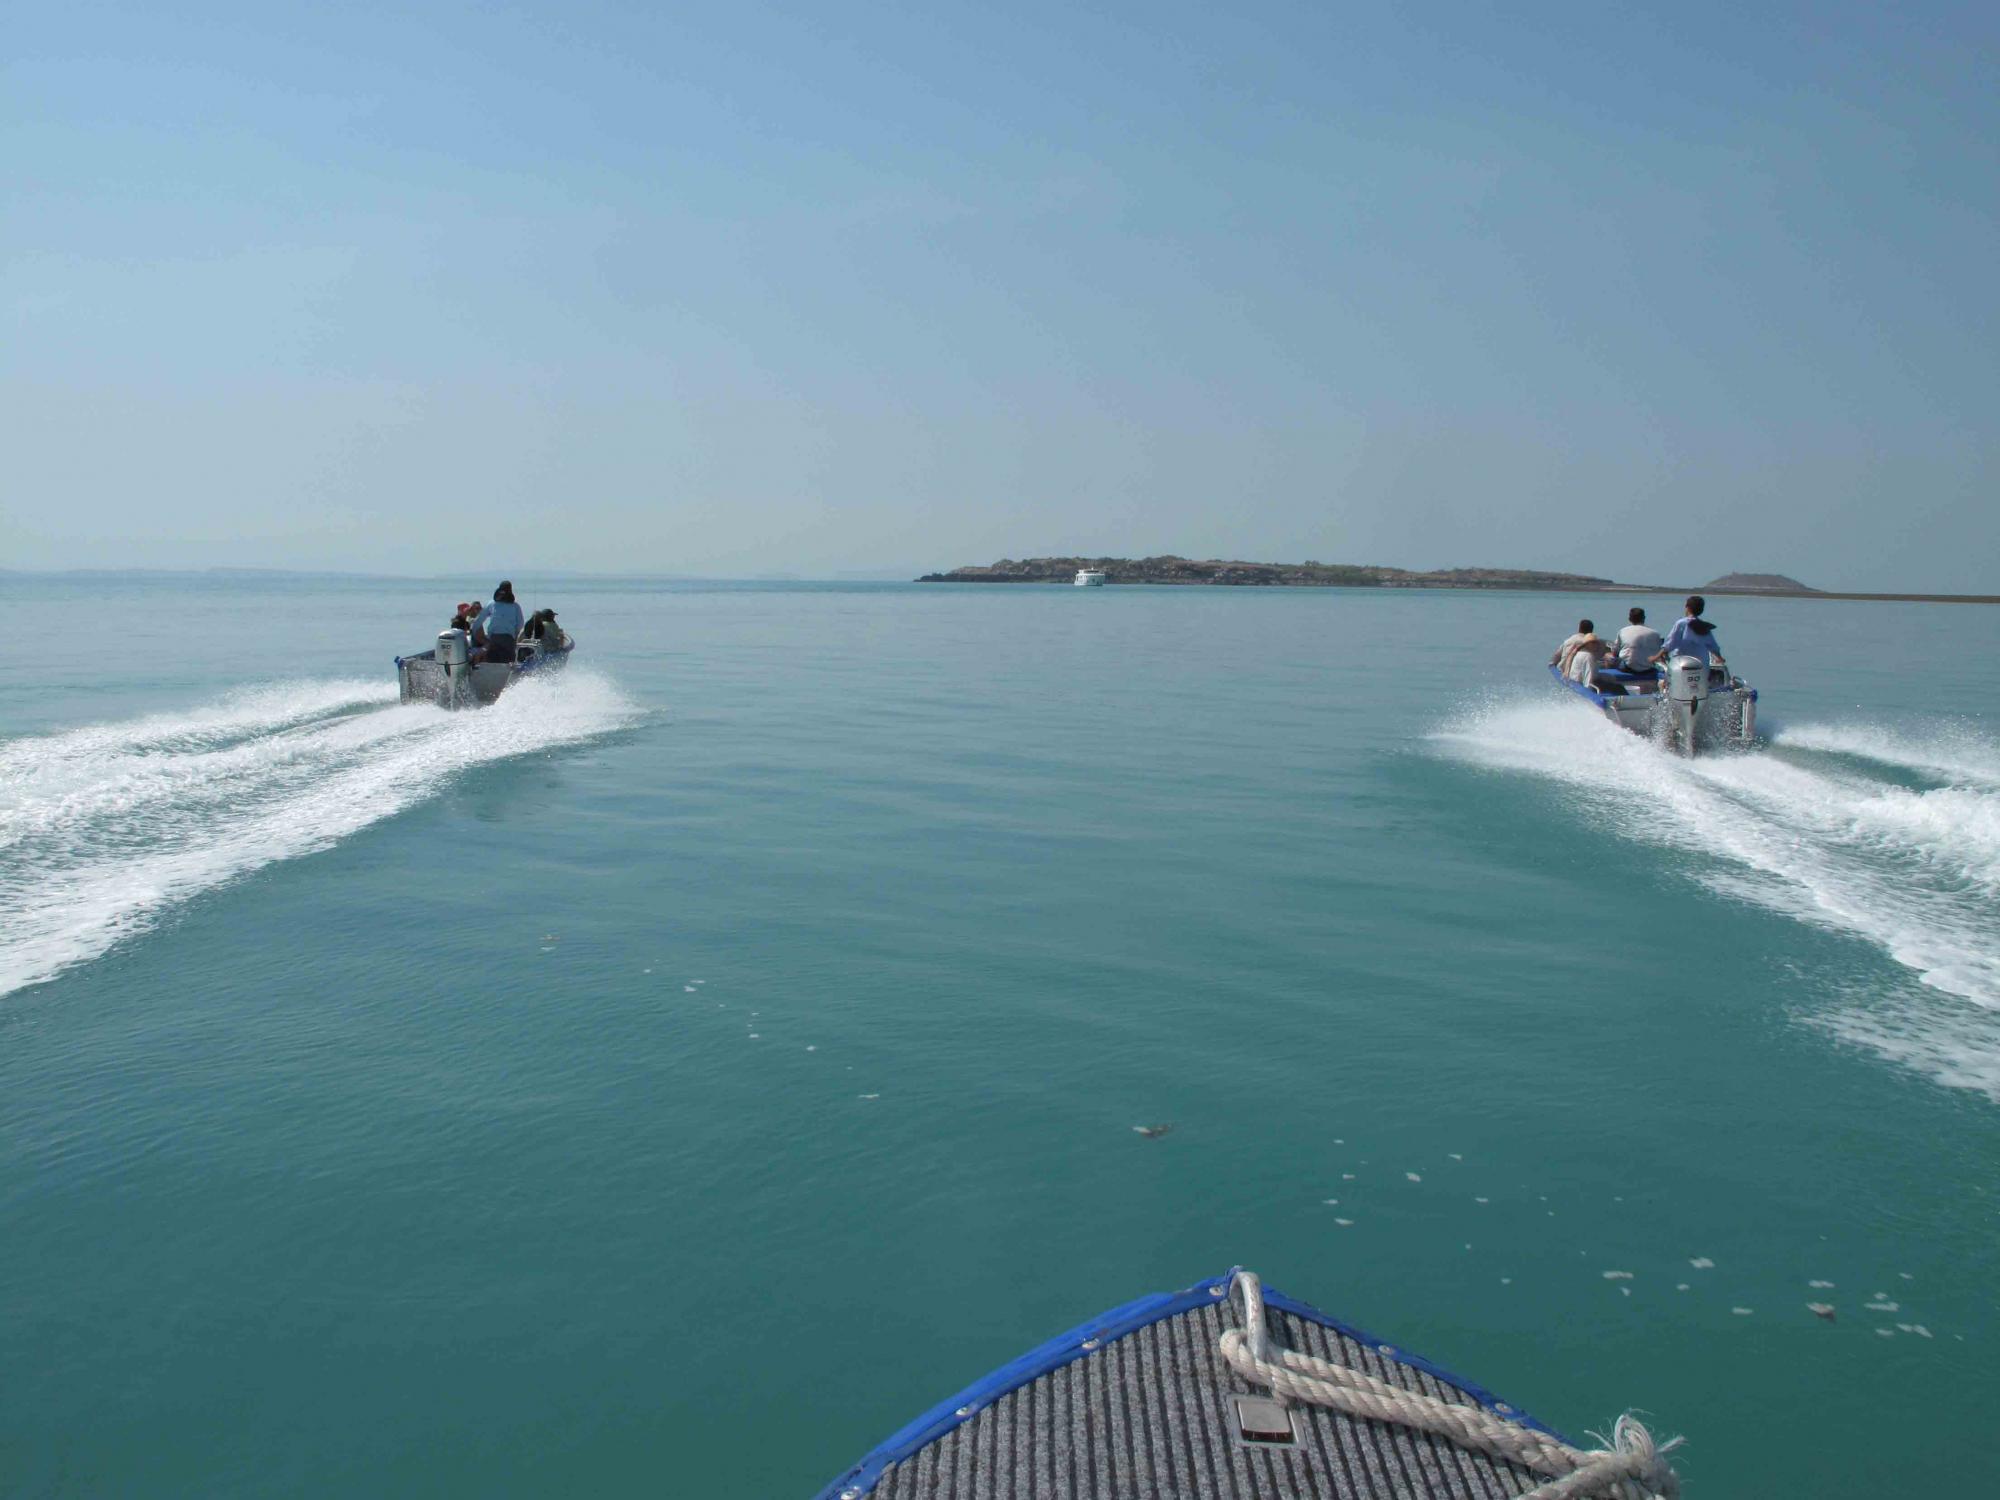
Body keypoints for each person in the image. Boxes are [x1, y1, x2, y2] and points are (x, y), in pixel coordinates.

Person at [1654, 595, 1725, 668]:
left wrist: (1657, 656)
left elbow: (1671, 643)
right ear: (1702, 610)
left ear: (1687, 607)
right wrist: (1720, 658)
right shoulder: (1704, 626)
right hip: (1702, 664)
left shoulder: (1681, 623)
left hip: (1682, 663)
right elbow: (1713, 646)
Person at [472, 582, 524, 663]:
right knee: (509, 663)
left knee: (492, 662)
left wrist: (474, 633)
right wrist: (515, 637)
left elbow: (478, 621)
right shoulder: (515, 606)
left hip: (493, 638)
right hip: (509, 639)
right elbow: (520, 625)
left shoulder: (491, 604)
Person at [1615, 607, 1664, 676]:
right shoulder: (1655, 633)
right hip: (1648, 668)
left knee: (1609, 659)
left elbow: (1615, 652)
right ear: (1644, 618)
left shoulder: (1622, 631)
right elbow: (1659, 652)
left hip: (1628, 668)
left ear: (1629, 619)